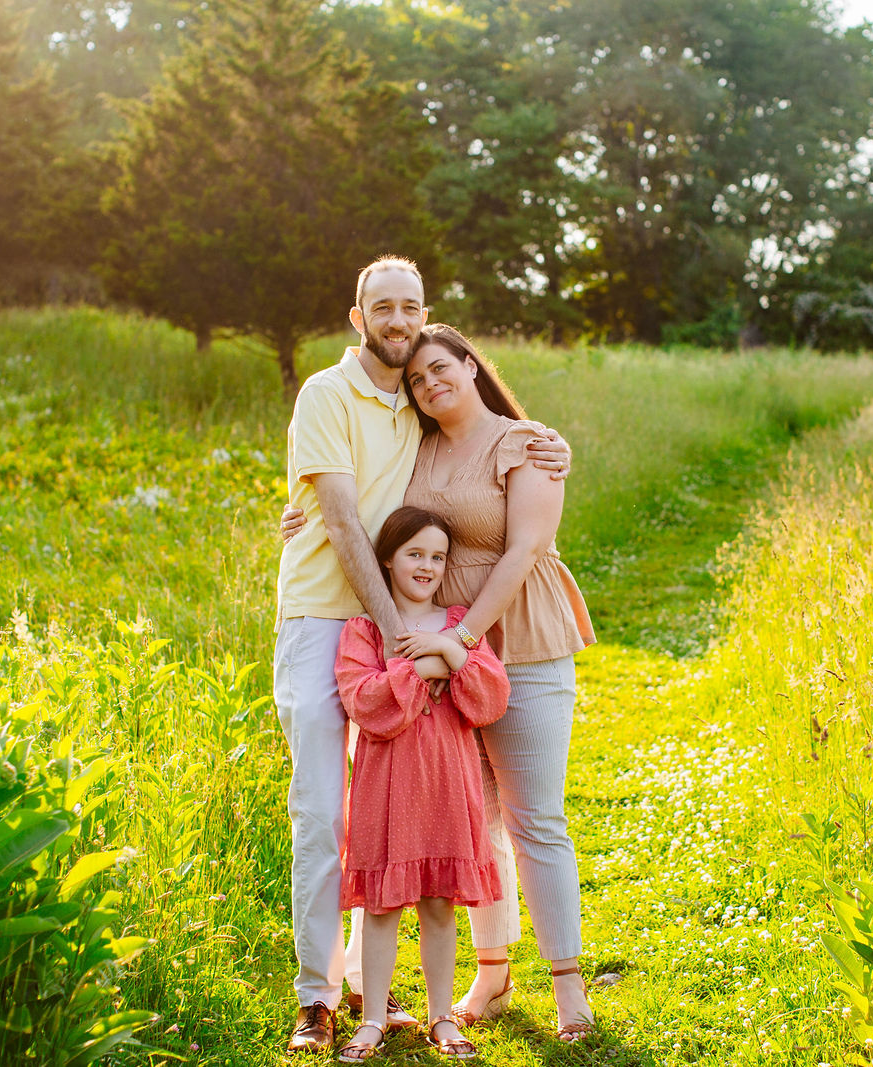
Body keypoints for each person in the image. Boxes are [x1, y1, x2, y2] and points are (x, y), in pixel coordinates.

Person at [274, 255, 571, 1053]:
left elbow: (478, 448)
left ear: (426, 313)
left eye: (411, 306)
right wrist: (402, 634)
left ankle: (372, 987)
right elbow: (342, 519)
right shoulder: (326, 393)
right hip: (326, 617)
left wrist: (549, 447)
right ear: (358, 317)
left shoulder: (413, 403)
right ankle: (317, 995)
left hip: (399, 625)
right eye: (384, 307)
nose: (399, 320)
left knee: (393, 804)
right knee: (323, 809)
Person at [333, 506, 510, 1062]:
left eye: (438, 556)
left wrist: (453, 651)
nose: (427, 566)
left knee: (438, 904)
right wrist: (431, 668)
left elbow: (491, 695)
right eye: (415, 553)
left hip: (445, 784)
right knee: (381, 906)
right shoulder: (365, 630)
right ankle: (372, 1019)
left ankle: (441, 1017)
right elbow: (365, 701)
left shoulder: (459, 624)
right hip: (386, 786)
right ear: (387, 559)